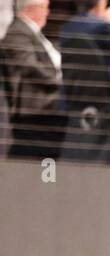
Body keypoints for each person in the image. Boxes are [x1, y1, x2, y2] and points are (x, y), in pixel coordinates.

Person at [0, 0, 65, 159]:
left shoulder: (34, 33)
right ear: (35, 8)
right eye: (46, 8)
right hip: (37, 107)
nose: (48, 13)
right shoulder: (17, 32)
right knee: (38, 163)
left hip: (49, 105)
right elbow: (30, 66)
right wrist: (61, 83)